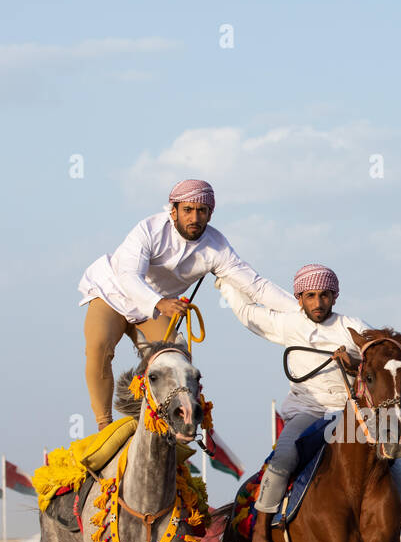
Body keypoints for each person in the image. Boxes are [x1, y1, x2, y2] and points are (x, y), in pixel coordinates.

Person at [219, 264, 401, 542]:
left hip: (350, 414)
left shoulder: (353, 326)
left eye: (324, 296)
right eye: (310, 296)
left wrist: (353, 363)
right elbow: (247, 314)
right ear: (299, 298)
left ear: (335, 297)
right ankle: (260, 532)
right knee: (283, 458)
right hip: (306, 410)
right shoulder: (287, 324)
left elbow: (380, 358)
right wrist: (224, 282)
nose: (318, 303)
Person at [78, 179, 297, 430]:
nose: (195, 217)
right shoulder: (148, 230)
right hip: (114, 295)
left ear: (210, 214)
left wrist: (299, 311)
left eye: (202, 211)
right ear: (173, 211)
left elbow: (256, 286)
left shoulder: (217, 247)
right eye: (188, 210)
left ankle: (166, 423)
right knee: (98, 348)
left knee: (175, 358)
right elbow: (129, 276)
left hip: (155, 309)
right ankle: (104, 426)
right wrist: (160, 303)